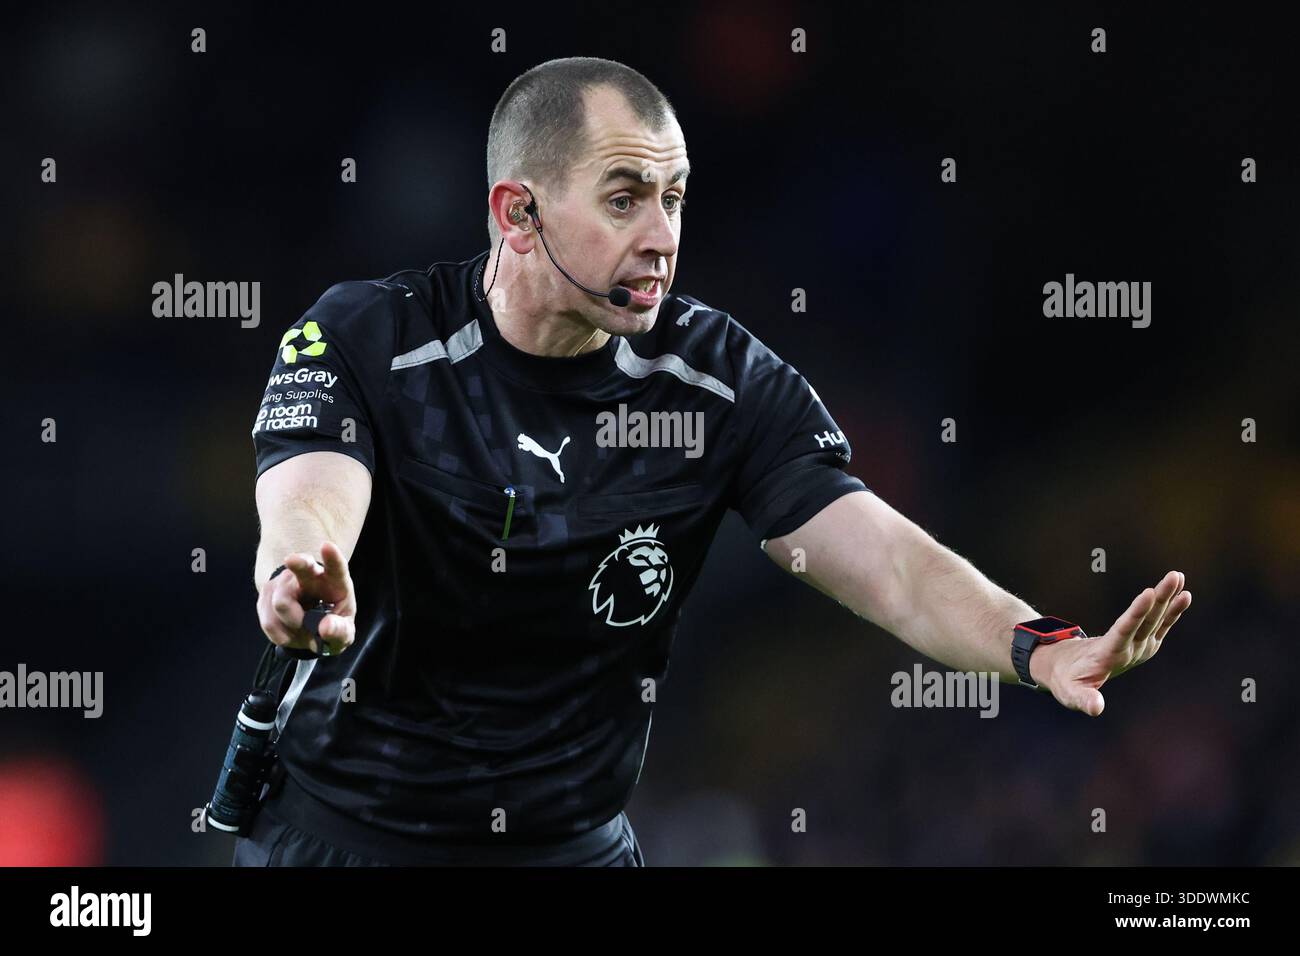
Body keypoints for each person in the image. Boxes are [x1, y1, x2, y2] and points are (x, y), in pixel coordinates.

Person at [234, 57, 1191, 867]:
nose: (661, 236)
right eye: (623, 200)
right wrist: (298, 572)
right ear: (517, 214)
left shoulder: (717, 382)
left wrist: (1037, 643)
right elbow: (311, 494)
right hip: (344, 843)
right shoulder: (368, 336)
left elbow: (892, 567)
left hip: (574, 849)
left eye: (674, 197)